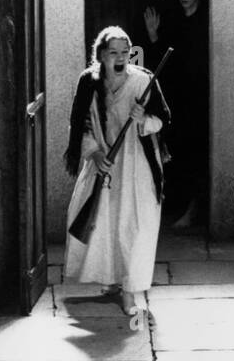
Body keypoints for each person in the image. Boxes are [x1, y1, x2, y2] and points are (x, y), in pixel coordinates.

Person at [64, 26, 170, 314]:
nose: (120, 58)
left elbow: (164, 119)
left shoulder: (143, 82)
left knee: (133, 226)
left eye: (125, 52)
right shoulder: (89, 82)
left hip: (137, 166)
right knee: (104, 225)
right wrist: (95, 153)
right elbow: (80, 125)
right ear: (101, 56)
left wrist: (144, 118)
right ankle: (112, 280)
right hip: (104, 165)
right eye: (113, 53)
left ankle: (130, 289)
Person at [143, 0, 209, 228]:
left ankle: (194, 212)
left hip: (199, 98)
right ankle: (180, 209)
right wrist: (152, 35)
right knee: (179, 153)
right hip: (181, 97)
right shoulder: (177, 22)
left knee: (196, 154)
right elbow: (166, 61)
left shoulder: (204, 21)